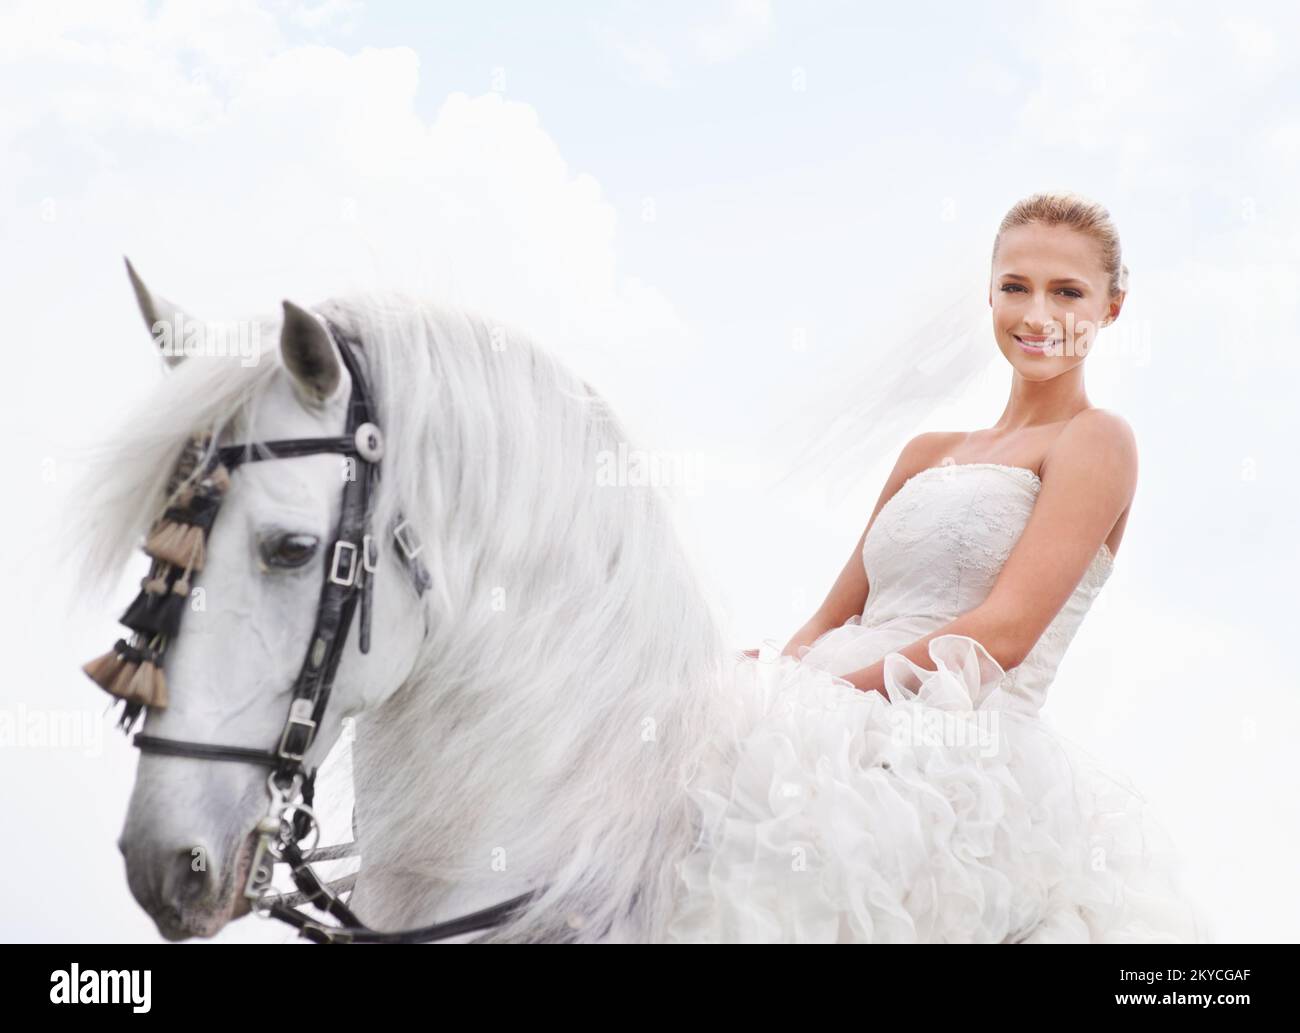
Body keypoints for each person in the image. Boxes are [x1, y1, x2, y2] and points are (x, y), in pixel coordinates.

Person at [672, 191, 1212, 943]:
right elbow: (835, 615)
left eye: (1068, 292)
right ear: (989, 292)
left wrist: (818, 696)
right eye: (1015, 285)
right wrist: (764, 681)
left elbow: (1005, 631)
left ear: (1112, 308)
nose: (1036, 314)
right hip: (823, 708)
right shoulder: (926, 452)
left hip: (952, 753)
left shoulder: (1097, 440)